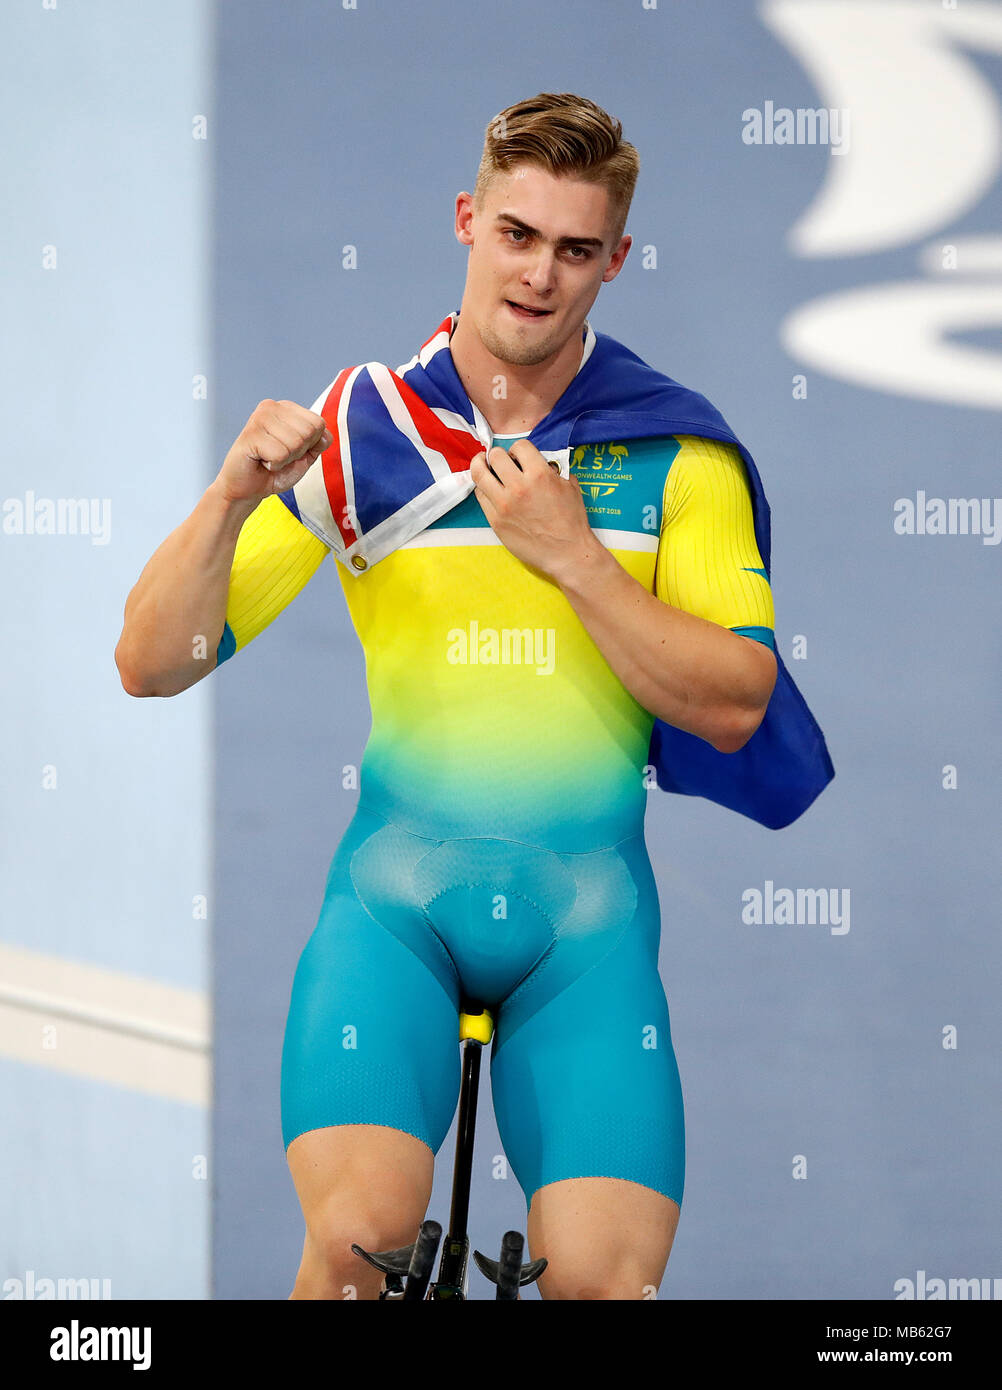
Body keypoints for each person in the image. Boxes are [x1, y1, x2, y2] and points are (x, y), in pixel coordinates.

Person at [115, 93, 783, 1300]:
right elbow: (153, 662)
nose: (539, 275)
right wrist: (224, 502)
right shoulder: (363, 432)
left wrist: (575, 556)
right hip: (393, 915)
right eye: (518, 235)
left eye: (577, 250)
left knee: (604, 1287)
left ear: (616, 261)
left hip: (586, 939)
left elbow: (739, 703)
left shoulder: (674, 454)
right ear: (469, 221)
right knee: (352, 1247)